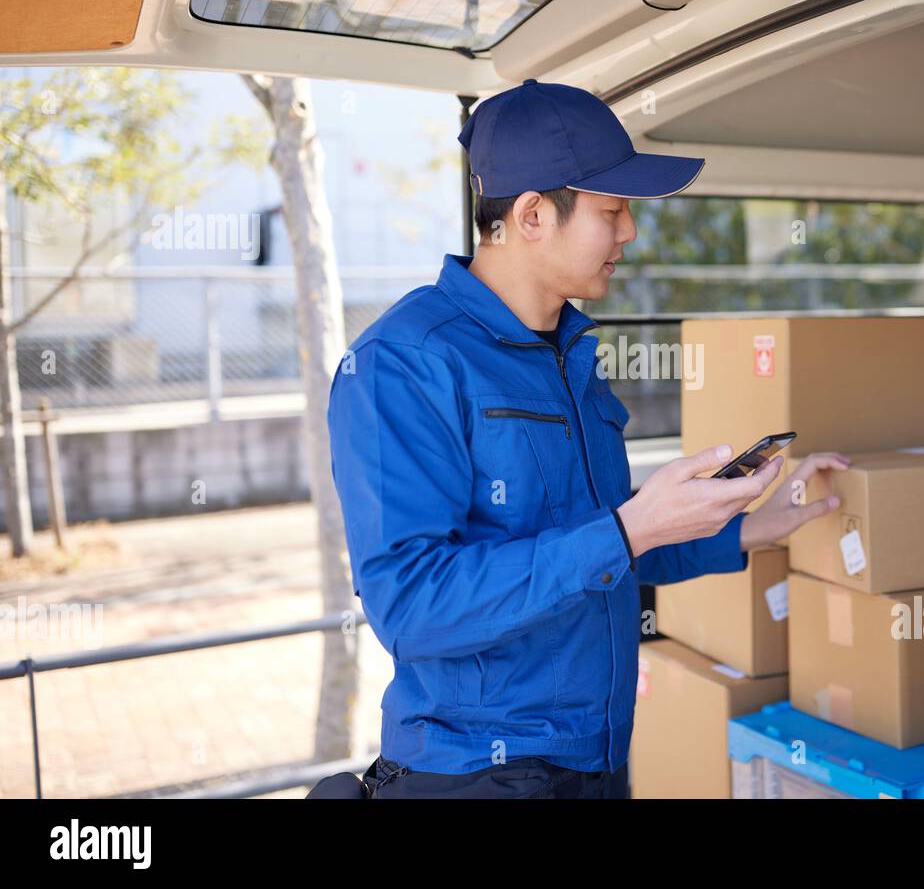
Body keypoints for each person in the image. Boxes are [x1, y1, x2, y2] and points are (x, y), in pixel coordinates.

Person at [326, 78, 847, 799]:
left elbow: (599, 543)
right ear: (534, 215)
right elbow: (411, 606)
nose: (630, 230)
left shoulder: (567, 350)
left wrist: (754, 524)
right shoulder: (405, 362)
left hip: (597, 761)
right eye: (612, 209)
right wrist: (628, 530)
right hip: (479, 774)